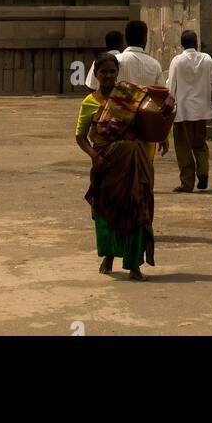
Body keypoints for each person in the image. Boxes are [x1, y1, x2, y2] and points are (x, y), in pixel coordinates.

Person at [76, 52, 172, 281]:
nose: (108, 76)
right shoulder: (89, 103)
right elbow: (80, 137)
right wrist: (93, 155)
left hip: (135, 162)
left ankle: (134, 265)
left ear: (117, 73)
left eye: (112, 71)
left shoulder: (130, 94)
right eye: (103, 72)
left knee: (138, 209)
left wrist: (162, 132)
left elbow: (152, 113)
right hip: (106, 163)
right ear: (96, 74)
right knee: (106, 211)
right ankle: (108, 254)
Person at [166, 30, 212, 193]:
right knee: (200, 144)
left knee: (183, 148)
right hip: (201, 111)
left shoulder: (177, 60)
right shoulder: (206, 59)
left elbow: (171, 87)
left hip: (182, 112)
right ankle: (203, 172)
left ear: (181, 44)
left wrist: (169, 106)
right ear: (196, 43)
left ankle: (187, 182)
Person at [116, 19, 163, 86]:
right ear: (145, 39)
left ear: (126, 39)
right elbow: (161, 92)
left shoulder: (116, 60)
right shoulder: (155, 65)